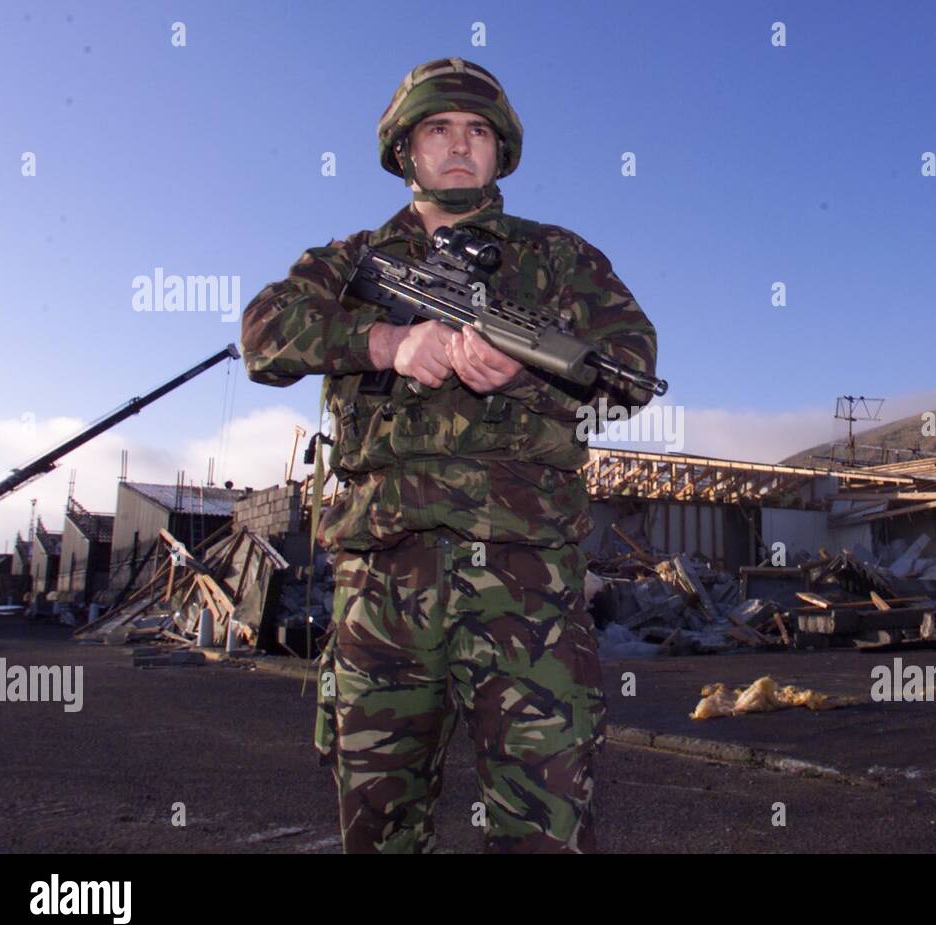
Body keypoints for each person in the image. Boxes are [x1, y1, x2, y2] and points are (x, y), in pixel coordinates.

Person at [240, 57, 659, 853]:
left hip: (525, 584)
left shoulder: (560, 260)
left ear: (501, 151)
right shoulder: (352, 261)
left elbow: (632, 369)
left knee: (547, 825)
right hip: (382, 583)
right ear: (405, 149)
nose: (460, 146)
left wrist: (527, 374)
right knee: (377, 829)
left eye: (478, 132)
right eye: (439, 129)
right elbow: (263, 336)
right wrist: (386, 342)